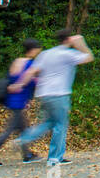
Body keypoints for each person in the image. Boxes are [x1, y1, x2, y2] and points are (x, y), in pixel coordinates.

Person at [13, 29, 94, 168]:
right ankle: (55, 158)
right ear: (68, 40)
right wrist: (81, 44)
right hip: (59, 94)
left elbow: (31, 71)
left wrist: (20, 84)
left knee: (49, 122)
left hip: (43, 94)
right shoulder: (68, 54)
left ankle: (24, 138)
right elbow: (89, 57)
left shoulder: (45, 54)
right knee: (60, 125)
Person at [0, 39, 44, 167]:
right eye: (38, 49)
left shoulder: (17, 61)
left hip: (12, 98)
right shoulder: (30, 64)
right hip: (18, 101)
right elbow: (29, 82)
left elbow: (11, 79)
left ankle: (27, 155)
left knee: (23, 128)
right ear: (33, 49)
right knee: (8, 131)